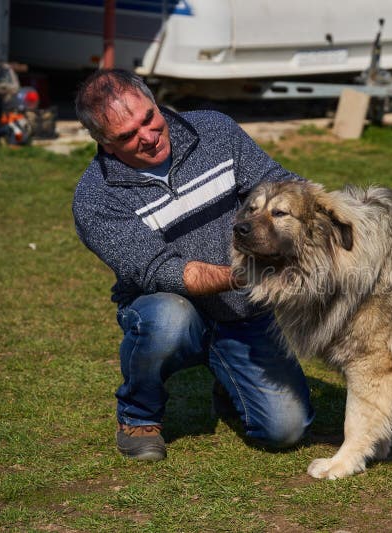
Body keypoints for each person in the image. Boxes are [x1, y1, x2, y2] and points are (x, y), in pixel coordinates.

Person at [72, 69, 314, 461]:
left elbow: (279, 185)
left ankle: (229, 377)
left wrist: (333, 216)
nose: (148, 136)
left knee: (286, 430)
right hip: (169, 305)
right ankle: (138, 415)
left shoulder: (216, 131)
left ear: (155, 101)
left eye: (148, 118)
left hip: (244, 310)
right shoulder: (95, 199)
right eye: (127, 136)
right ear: (103, 142)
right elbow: (163, 271)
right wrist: (255, 273)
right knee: (169, 319)